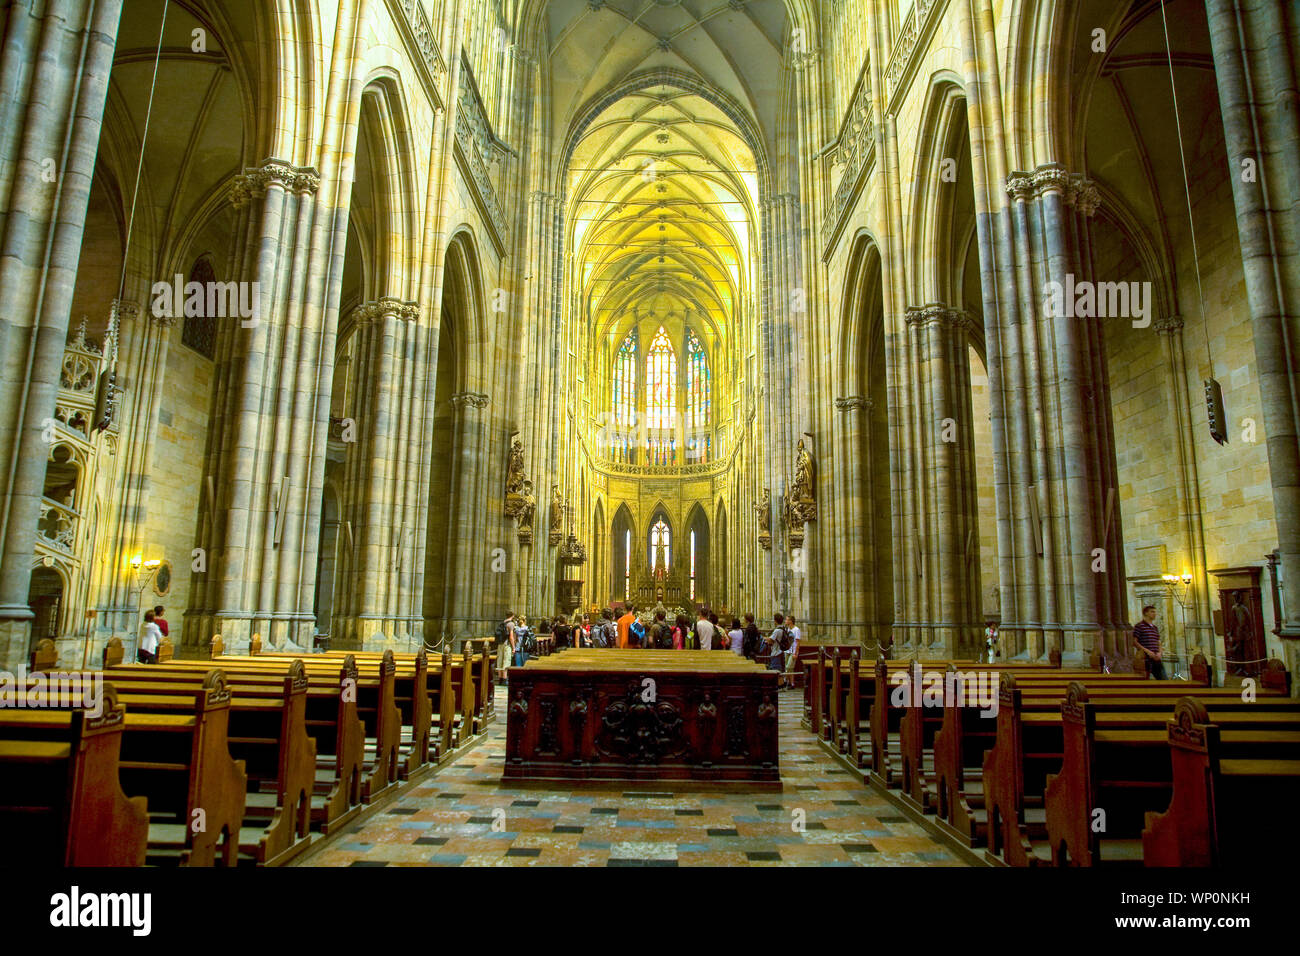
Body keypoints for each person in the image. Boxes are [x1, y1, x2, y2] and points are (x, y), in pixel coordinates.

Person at [1133, 605, 1164, 679]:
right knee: (1144, 679)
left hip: (1156, 657)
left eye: (1155, 612)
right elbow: (1134, 642)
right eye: (1152, 612)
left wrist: (1160, 652)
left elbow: (1158, 642)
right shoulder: (1139, 626)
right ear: (1146, 613)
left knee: (1162, 679)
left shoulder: (1155, 628)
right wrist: (1147, 651)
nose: (1154, 614)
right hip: (1145, 658)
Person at [765, 613, 788, 688]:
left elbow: (770, 640)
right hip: (781, 651)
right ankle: (781, 684)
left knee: (776, 669)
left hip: (776, 652)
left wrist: (765, 638)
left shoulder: (777, 630)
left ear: (775, 621)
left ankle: (779, 685)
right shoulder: (783, 628)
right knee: (779, 669)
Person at [495, 612, 516, 682]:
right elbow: (511, 637)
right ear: (512, 616)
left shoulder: (502, 623)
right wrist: (513, 647)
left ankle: (500, 679)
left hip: (500, 644)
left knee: (500, 662)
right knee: (506, 662)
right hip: (507, 645)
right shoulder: (511, 624)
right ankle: (504, 680)